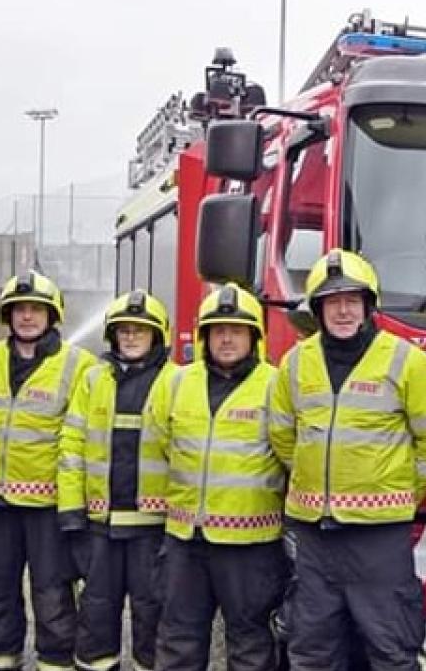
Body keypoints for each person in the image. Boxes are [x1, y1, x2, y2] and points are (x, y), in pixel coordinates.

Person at [269, 248, 426, 671]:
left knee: (391, 649)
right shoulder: (295, 363)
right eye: (332, 302)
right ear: (317, 309)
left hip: (379, 538)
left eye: (352, 301)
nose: (343, 311)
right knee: (311, 650)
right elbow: (281, 434)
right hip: (315, 536)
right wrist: (312, 482)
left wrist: (402, 492)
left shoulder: (407, 361)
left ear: (369, 306)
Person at [0, 270, 96, 671]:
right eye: (19, 310)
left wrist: (81, 500)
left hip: (50, 504)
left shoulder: (79, 365)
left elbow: (84, 438)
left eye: (36, 310)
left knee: (53, 588)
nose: (27, 317)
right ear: (7, 316)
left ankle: (56, 659)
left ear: (52, 315)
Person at [145, 283, 286, 671]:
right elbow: (157, 446)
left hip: (251, 545)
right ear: (204, 336)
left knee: (250, 644)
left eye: (236, 330)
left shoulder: (277, 386)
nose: (226, 338)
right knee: (177, 640)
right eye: (217, 329)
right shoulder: (174, 382)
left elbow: (292, 456)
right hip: (185, 541)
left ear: (254, 337)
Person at [57, 290, 174, 671]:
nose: (130, 337)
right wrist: (72, 511)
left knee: (153, 615)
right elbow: (72, 446)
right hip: (100, 527)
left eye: (139, 330)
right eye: (123, 330)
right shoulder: (93, 380)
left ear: (157, 336)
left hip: (153, 528)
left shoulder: (177, 381)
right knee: (95, 616)